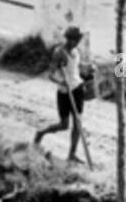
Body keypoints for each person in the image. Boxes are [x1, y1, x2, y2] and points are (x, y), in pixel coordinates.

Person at [34, 26, 88, 162]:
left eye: (76, 40)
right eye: (71, 39)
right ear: (67, 38)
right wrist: (61, 81)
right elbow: (51, 74)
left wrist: (88, 69)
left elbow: (77, 69)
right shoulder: (59, 52)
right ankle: (41, 132)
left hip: (77, 89)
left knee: (78, 123)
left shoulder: (76, 51)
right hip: (64, 92)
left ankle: (72, 154)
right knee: (64, 125)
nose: (73, 42)